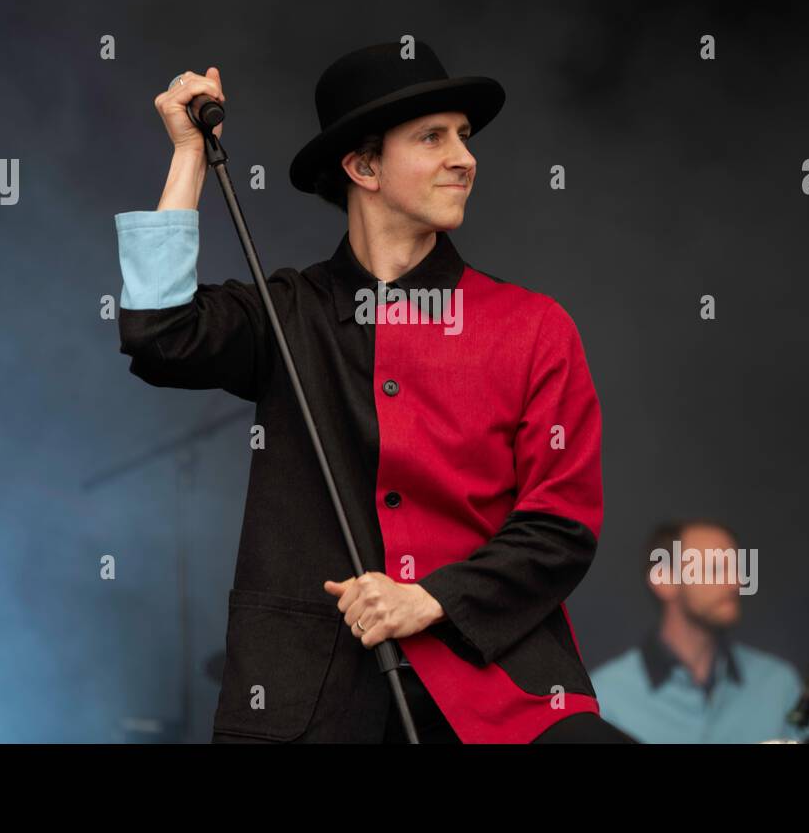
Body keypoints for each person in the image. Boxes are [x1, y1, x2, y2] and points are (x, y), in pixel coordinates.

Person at [113, 41, 631, 742]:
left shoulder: (533, 326)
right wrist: (190, 158)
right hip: (308, 700)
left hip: (495, 689)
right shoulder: (288, 312)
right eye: (432, 138)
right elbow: (160, 333)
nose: (464, 158)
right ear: (362, 166)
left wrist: (431, 599)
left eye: (465, 137)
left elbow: (560, 526)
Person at [590, 519, 809, 743]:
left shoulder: (780, 686)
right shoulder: (604, 699)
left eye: (736, 567)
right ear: (664, 580)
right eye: (715, 568)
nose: (735, 582)